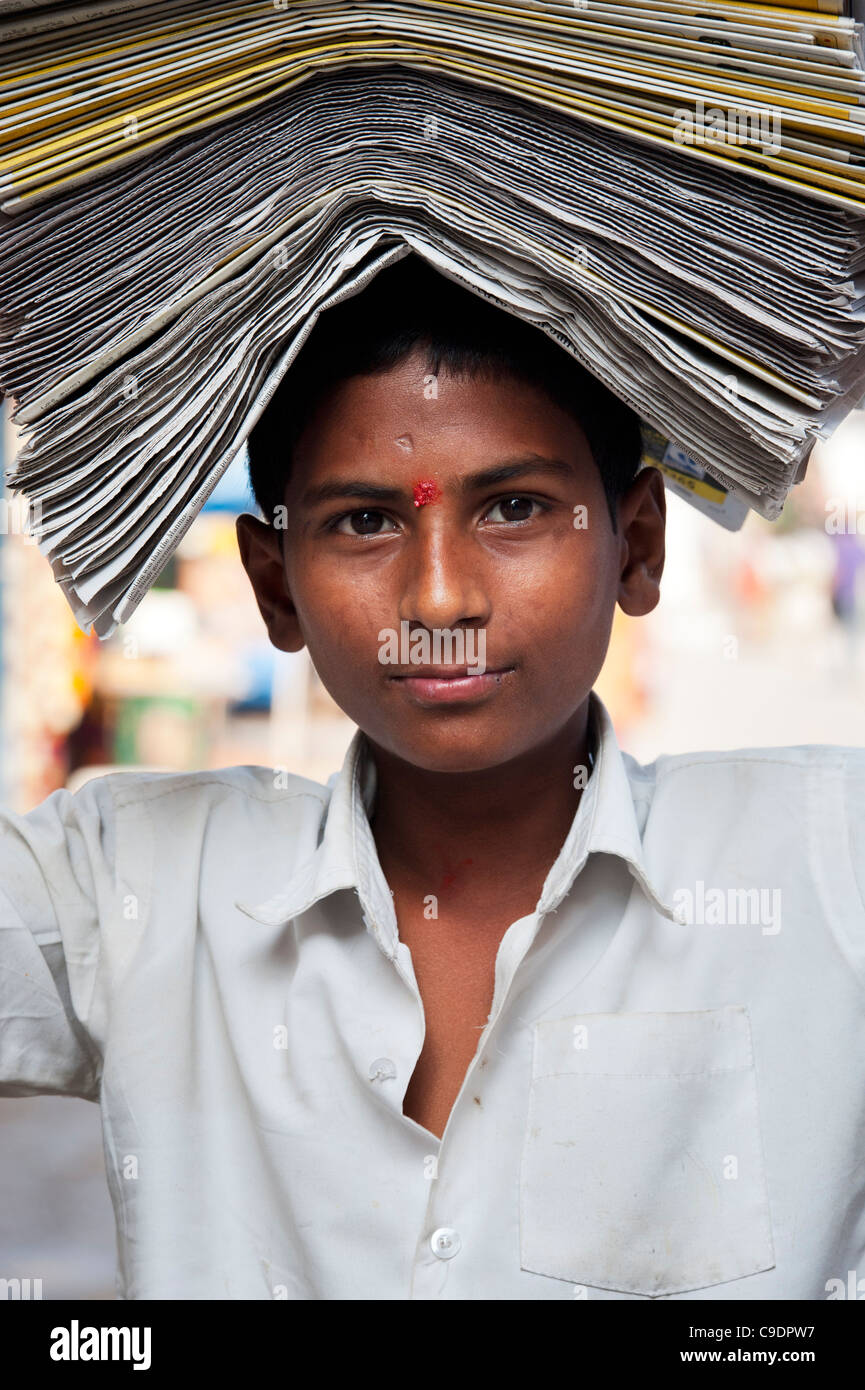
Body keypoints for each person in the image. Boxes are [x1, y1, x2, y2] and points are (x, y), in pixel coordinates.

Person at [1, 256, 863, 1301]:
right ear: (275, 587)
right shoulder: (125, 880)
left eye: (512, 508)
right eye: (365, 521)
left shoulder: (823, 863)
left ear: (634, 546)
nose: (439, 599)